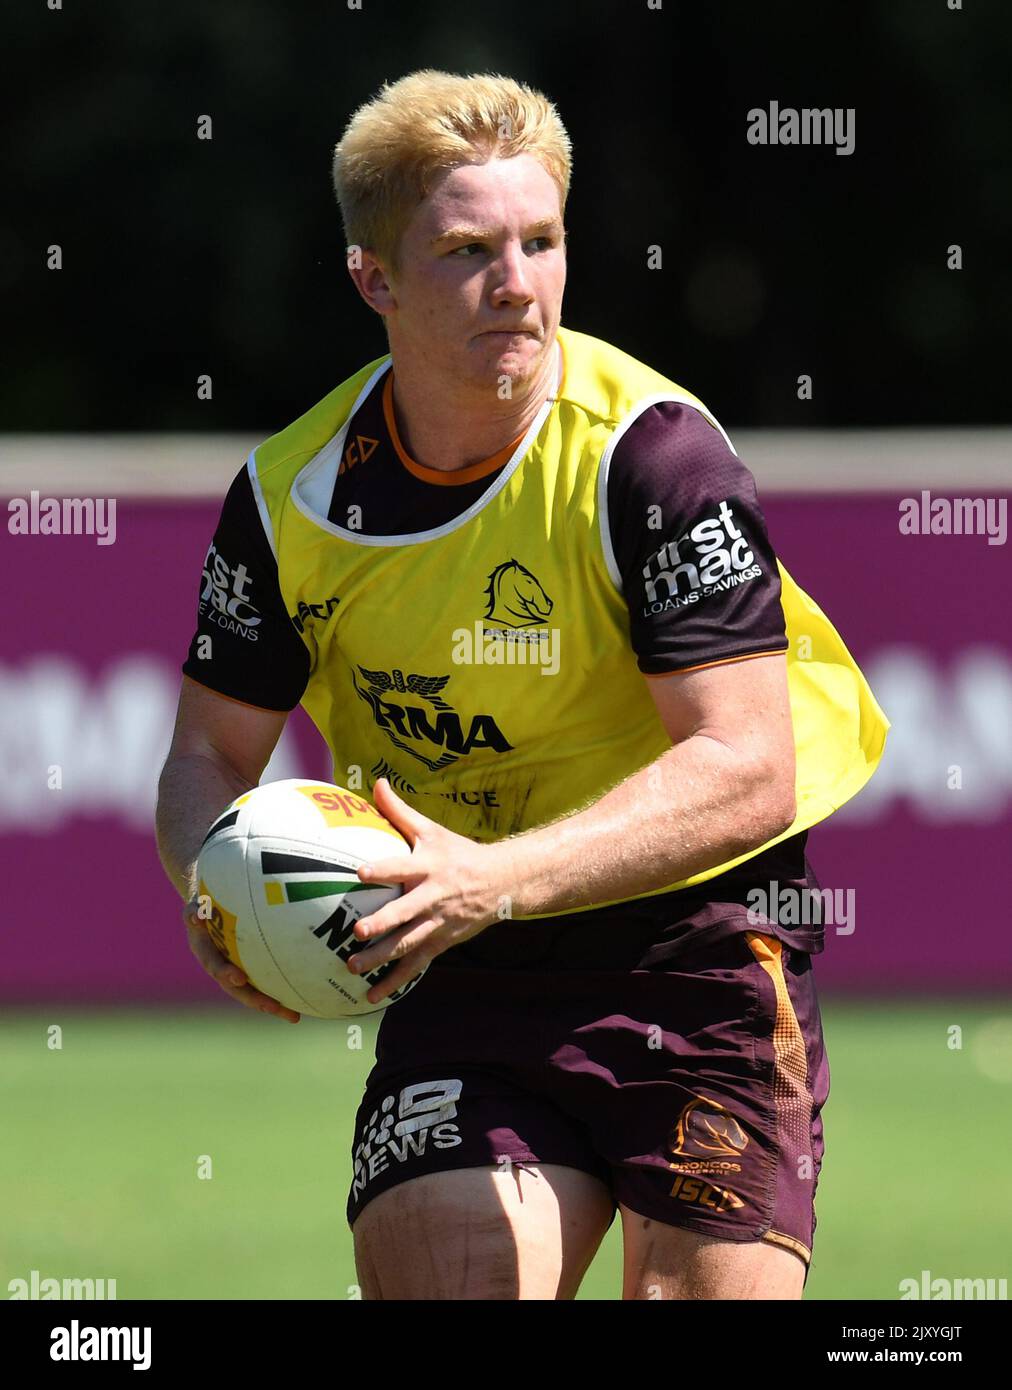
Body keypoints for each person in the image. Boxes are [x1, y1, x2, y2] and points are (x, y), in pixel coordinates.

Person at [155, 69, 889, 1300]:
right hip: (466, 971)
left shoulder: (651, 457)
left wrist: (488, 879)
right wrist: (211, 889)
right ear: (372, 281)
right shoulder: (290, 503)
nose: (518, 281)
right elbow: (205, 761)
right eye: (467, 249)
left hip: (698, 949)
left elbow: (748, 766)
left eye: (540, 241)